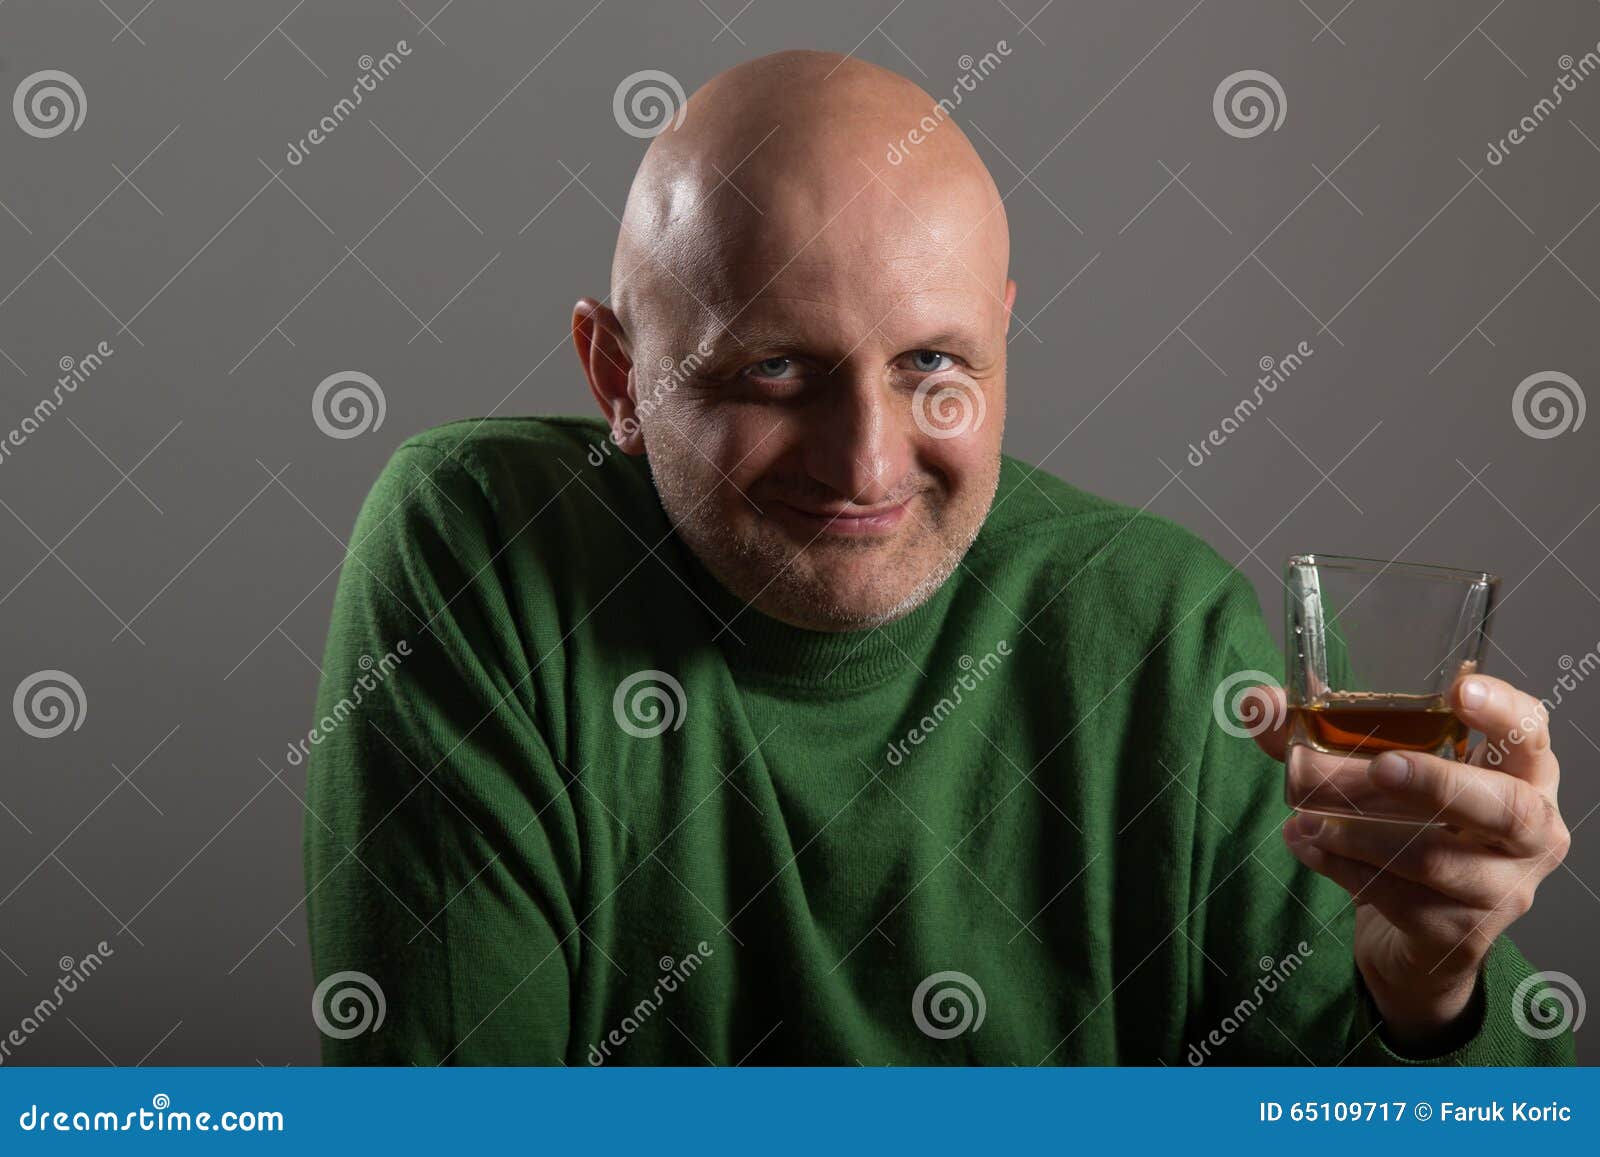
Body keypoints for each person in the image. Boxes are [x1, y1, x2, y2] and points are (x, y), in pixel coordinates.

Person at [303, 50, 1573, 1065]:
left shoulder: (1163, 631)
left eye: (931, 366)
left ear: (1001, 336)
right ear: (617, 377)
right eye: (776, 369)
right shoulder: (484, 550)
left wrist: (1429, 999)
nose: (866, 464)